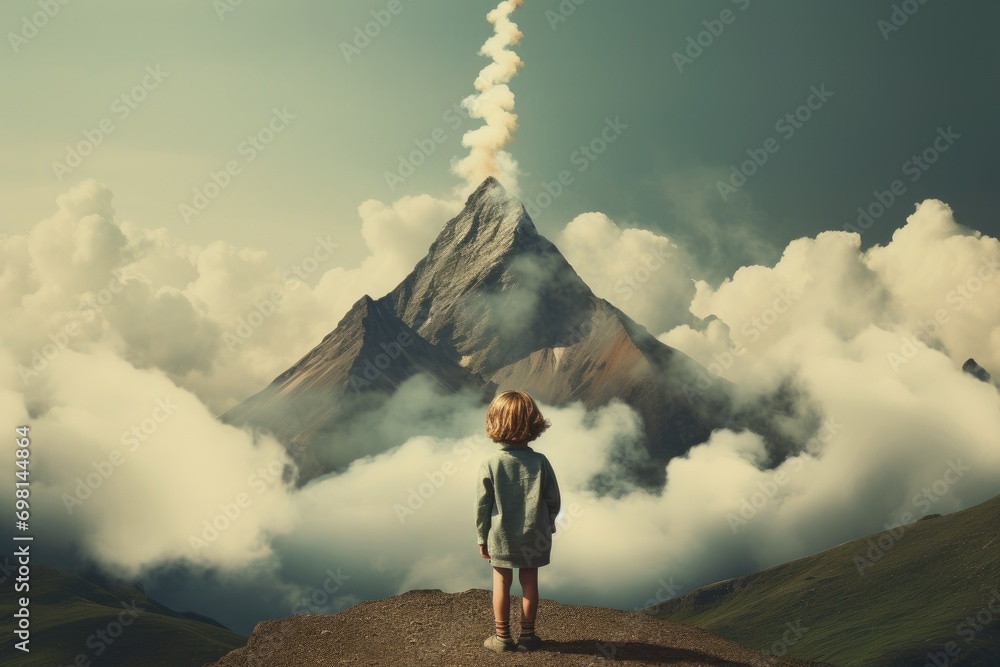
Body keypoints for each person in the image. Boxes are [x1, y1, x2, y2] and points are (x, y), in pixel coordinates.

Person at [474, 390, 561, 653]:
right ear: (533, 422)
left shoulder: (490, 463)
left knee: (501, 581)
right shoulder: (540, 462)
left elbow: (482, 506)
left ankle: (502, 639)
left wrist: (482, 537)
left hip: (501, 536)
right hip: (535, 534)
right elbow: (552, 500)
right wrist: (548, 526)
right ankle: (528, 637)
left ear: (494, 423)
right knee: (529, 581)